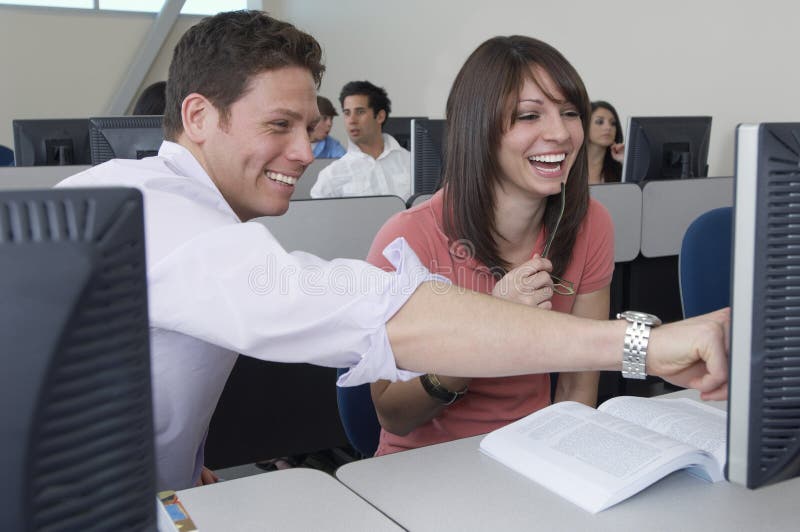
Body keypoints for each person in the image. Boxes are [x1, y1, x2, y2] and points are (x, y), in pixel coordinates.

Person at [56, 11, 728, 491]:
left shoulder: (173, 210)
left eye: (309, 129)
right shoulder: (155, 215)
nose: (304, 152)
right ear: (199, 117)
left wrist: (174, 466)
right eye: (279, 126)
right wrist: (642, 345)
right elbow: (383, 313)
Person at [366, 35, 612, 455]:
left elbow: (576, 386)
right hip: (423, 467)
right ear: (479, 127)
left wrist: (558, 471)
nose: (560, 133)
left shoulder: (590, 224)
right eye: (530, 116)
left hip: (528, 453)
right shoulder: (408, 239)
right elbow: (394, 414)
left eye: (570, 113)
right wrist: (492, 325)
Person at [310, 80, 412, 200]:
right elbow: (317, 217)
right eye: (347, 113)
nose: (352, 120)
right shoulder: (331, 176)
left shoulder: (410, 162)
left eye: (360, 112)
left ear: (380, 116)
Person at [587, 100, 625, 184]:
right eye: (600, 122)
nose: (608, 127)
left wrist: (625, 161)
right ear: (585, 125)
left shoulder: (620, 168)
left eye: (613, 123)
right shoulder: (569, 167)